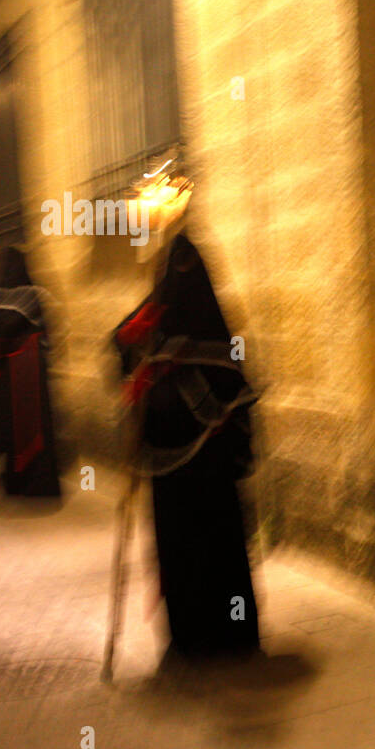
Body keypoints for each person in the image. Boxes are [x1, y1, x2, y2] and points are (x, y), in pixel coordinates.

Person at [112, 229, 261, 663]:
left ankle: (231, 635)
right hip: (171, 470)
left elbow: (234, 388)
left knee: (217, 551)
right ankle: (190, 636)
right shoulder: (152, 315)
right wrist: (129, 342)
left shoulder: (216, 328)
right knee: (179, 553)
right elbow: (118, 351)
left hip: (208, 467)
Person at [0, 247, 62, 497]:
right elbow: (50, 331)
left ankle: (21, 484)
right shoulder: (36, 294)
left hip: (16, 370)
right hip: (34, 368)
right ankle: (41, 484)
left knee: (18, 428)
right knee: (34, 427)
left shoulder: (4, 297)